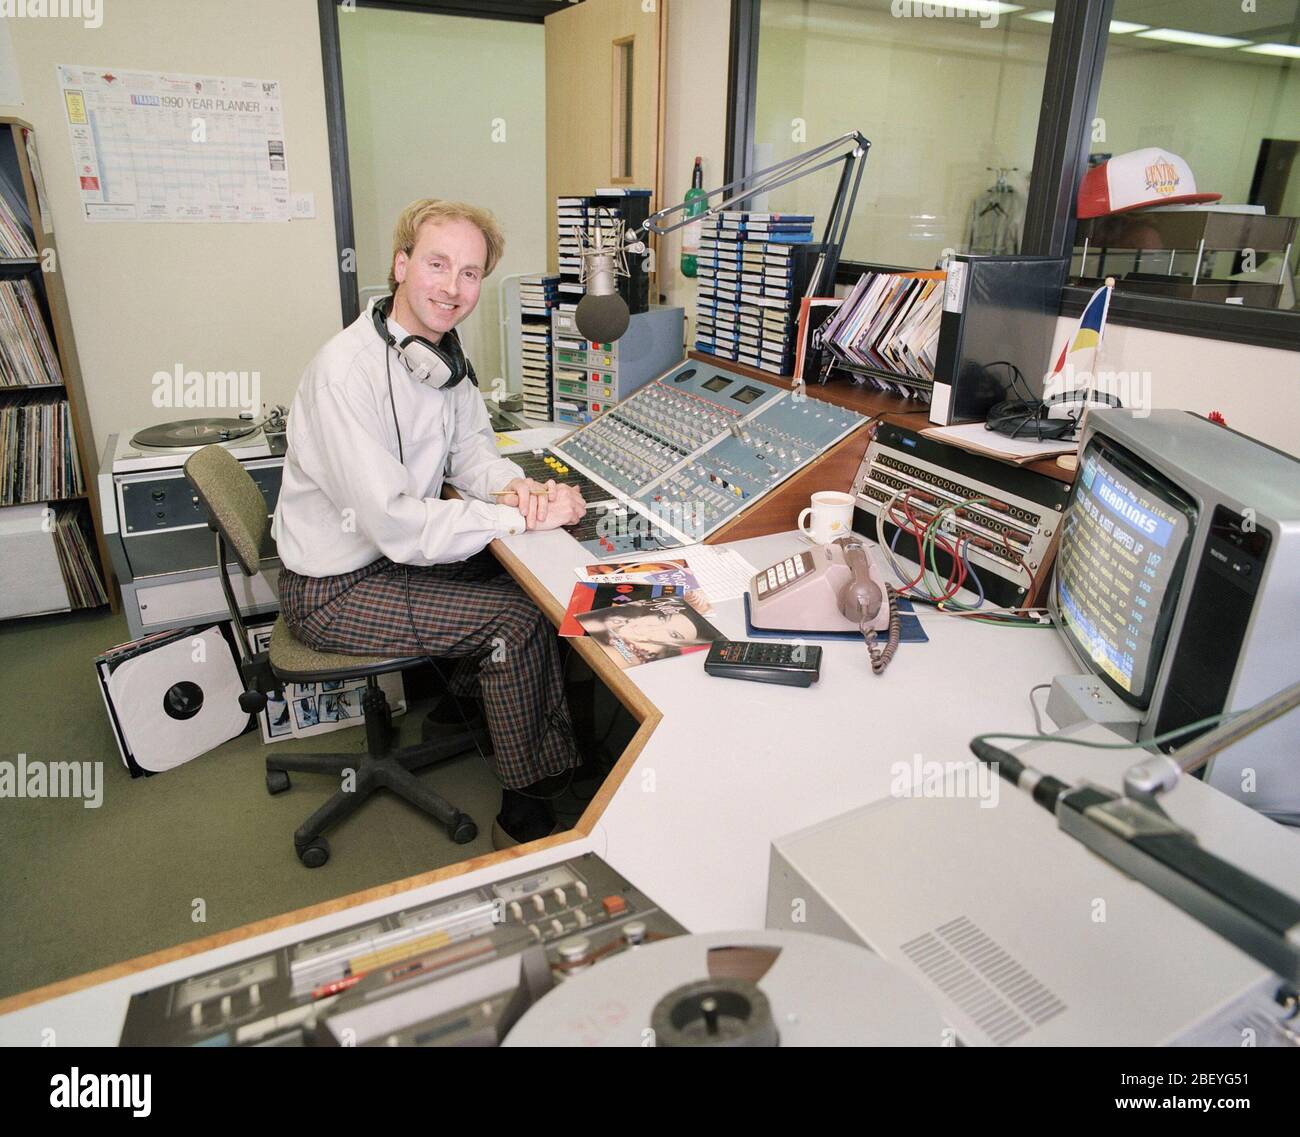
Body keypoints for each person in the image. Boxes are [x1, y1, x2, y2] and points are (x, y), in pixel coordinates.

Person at [272, 198, 586, 847]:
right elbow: (397, 525)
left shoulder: (438, 358)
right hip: (333, 590)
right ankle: (526, 813)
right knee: (519, 616)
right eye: (438, 264)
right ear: (401, 263)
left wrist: (520, 491)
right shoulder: (347, 373)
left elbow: (471, 450)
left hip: (382, 560)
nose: (453, 286)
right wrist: (512, 519)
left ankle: (461, 708)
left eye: (470, 272)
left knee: (520, 578)